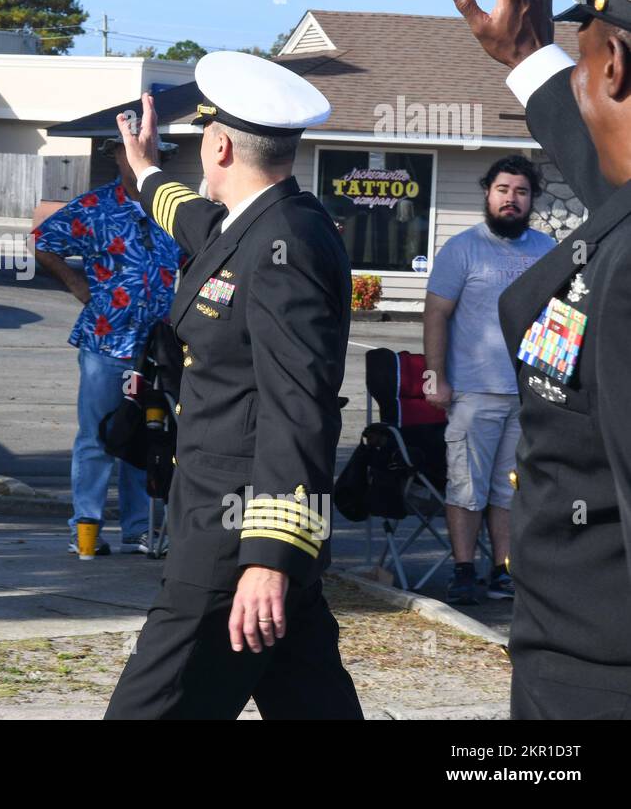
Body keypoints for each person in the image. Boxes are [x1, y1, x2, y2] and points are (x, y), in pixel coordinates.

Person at [103, 51, 362, 720]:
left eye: (201, 144)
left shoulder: (286, 245)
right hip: (241, 530)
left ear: (219, 145)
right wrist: (146, 168)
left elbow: (297, 408)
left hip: (233, 544)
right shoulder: (249, 224)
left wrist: (270, 557)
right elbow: (190, 218)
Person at [449, 0, 631, 718]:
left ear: (615, 66)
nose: (579, 62)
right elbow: (603, 162)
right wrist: (529, 54)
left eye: (582, 43)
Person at [33, 136, 183, 555]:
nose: (136, 158)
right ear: (116, 156)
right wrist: (78, 284)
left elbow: (198, 256)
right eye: (127, 150)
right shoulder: (94, 207)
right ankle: (85, 529)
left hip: (157, 348)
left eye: (149, 150)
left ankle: (139, 529)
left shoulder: (174, 208)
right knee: (98, 438)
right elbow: (43, 243)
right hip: (106, 340)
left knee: (149, 438)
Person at [423, 155, 554, 605]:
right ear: (487, 193)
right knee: (465, 485)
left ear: (531, 198)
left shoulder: (547, 250)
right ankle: (463, 571)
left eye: (520, 192)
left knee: (510, 487)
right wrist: (434, 377)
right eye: (503, 190)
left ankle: (503, 570)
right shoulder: (462, 248)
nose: (511, 199)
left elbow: (559, 320)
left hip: (529, 395)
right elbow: (436, 314)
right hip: (472, 392)